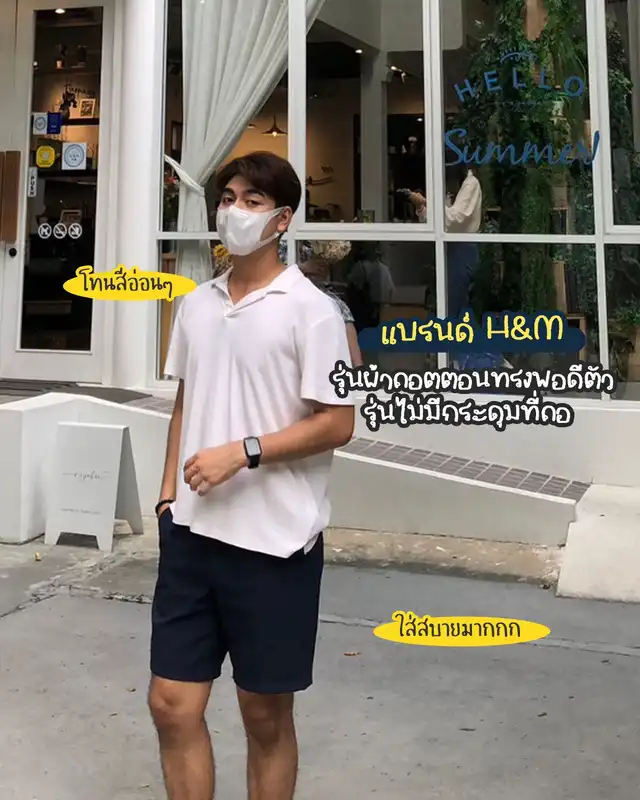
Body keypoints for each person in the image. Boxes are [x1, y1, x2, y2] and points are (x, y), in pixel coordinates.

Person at [149, 151, 355, 800]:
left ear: (282, 220)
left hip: (274, 545)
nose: (234, 211)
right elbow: (186, 401)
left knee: (264, 716)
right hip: (191, 535)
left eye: (252, 201)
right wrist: (166, 498)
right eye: (228, 198)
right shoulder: (197, 304)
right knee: (171, 704)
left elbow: (338, 422)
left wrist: (244, 451)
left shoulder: (312, 311)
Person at [299, 256, 363, 366]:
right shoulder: (289, 300)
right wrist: (301, 267)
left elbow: (352, 345)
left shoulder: (335, 303)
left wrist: (358, 369)